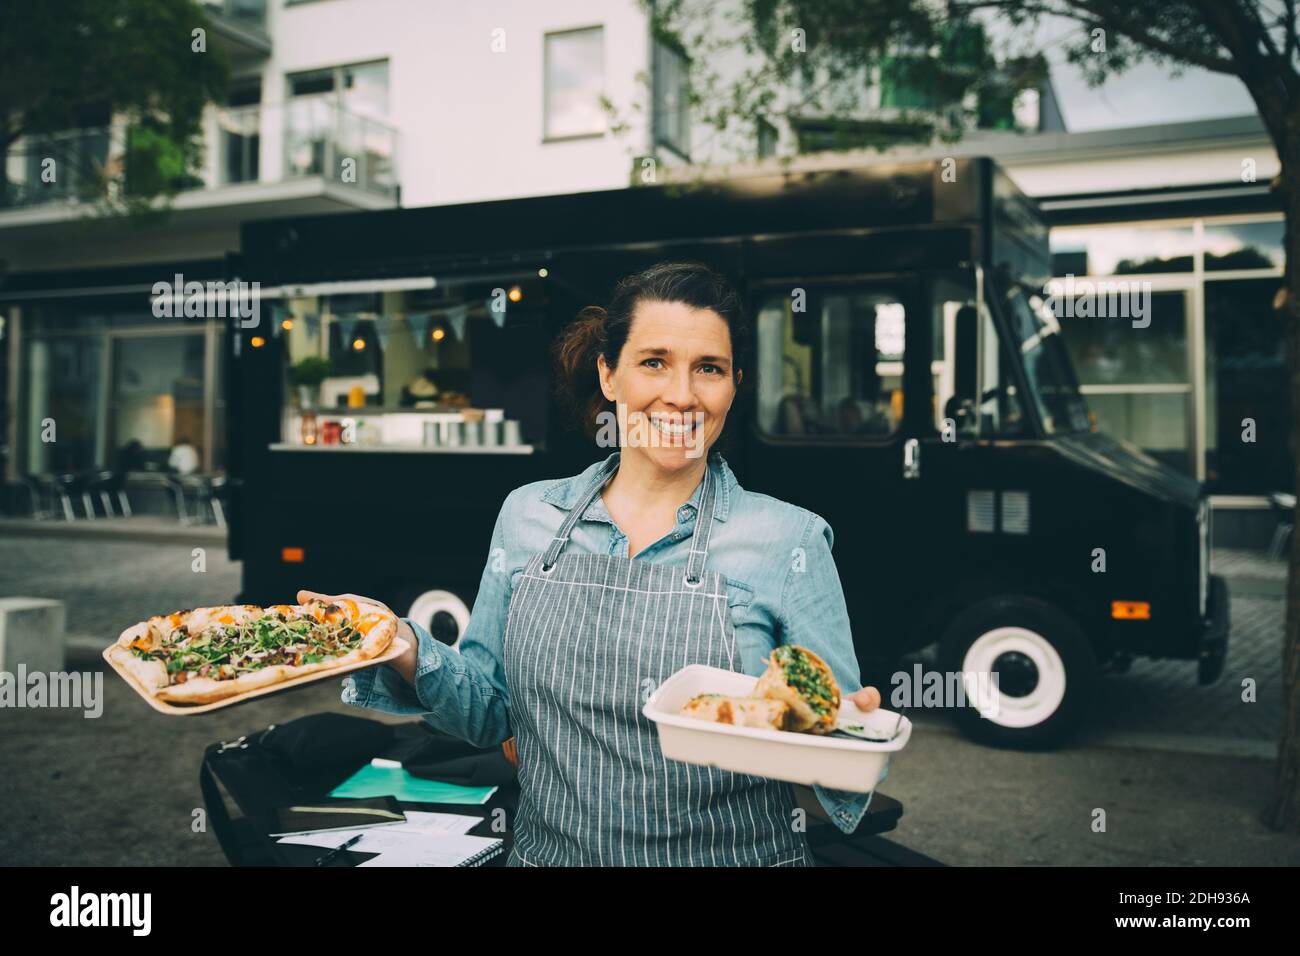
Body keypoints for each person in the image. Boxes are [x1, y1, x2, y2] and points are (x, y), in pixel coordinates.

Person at [320, 261, 885, 867]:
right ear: (608, 375)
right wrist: (399, 641)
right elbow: (488, 711)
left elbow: (840, 769)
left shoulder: (788, 538)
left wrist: (835, 736)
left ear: (734, 384)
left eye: (709, 369)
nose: (681, 394)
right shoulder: (528, 515)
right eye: (653, 362)